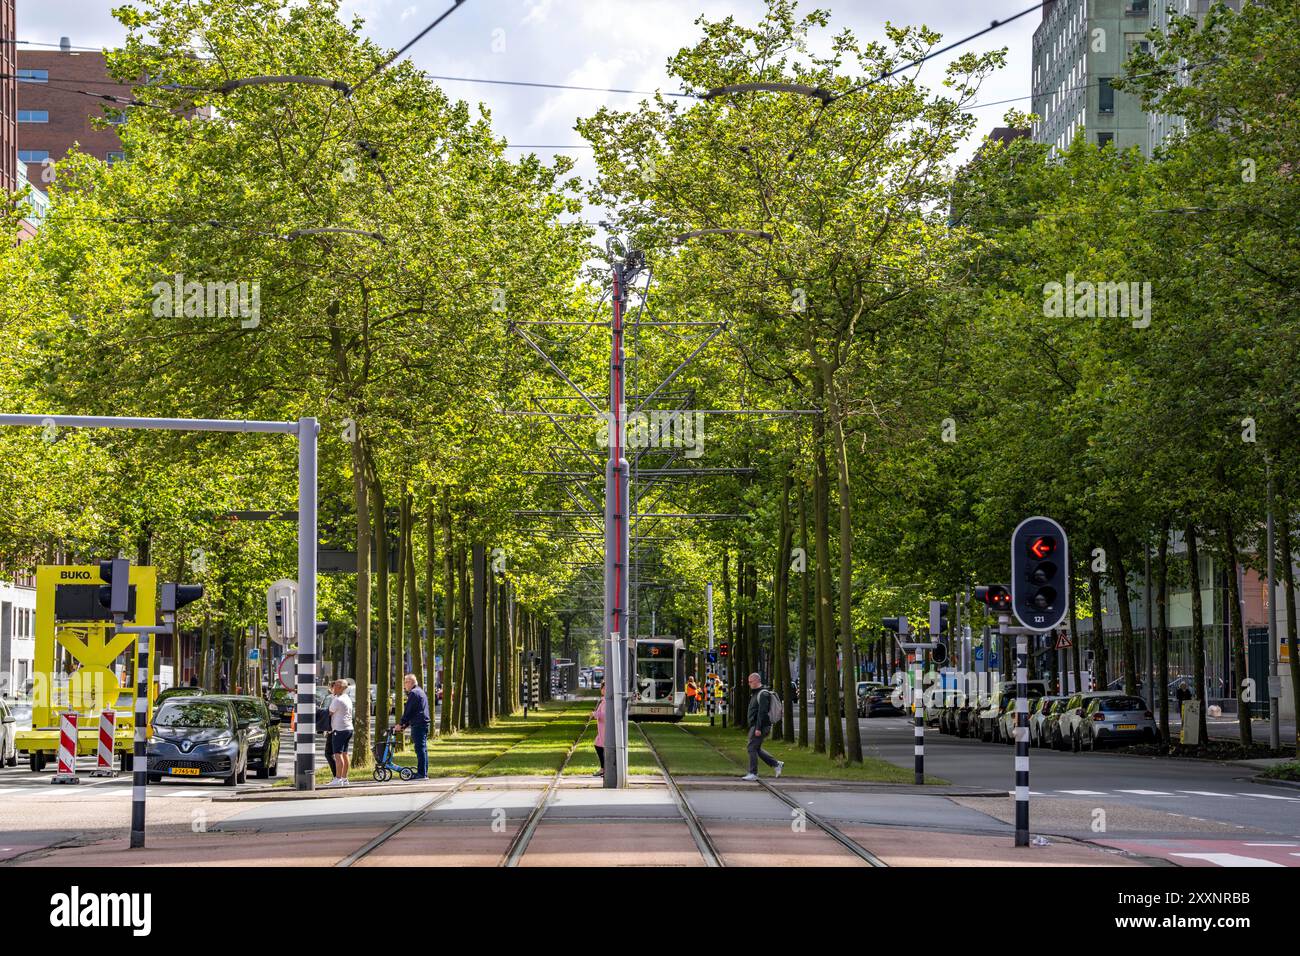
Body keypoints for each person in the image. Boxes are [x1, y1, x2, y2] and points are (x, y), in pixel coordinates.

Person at [742, 672, 783, 782]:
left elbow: (762, 712)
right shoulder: (756, 693)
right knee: (756, 748)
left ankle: (753, 773)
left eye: (751, 682)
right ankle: (776, 764)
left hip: (760, 725)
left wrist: (758, 728)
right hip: (755, 725)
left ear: (756, 681)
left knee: (751, 747)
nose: (749, 684)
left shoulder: (763, 694)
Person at [396, 673, 431, 780]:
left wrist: (401, 724)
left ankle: (422, 774)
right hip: (423, 723)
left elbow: (409, 711)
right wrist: (404, 725)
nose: (404, 685)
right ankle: (423, 772)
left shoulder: (414, 693)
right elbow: (415, 711)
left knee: (420, 749)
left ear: (410, 682)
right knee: (423, 749)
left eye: (405, 682)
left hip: (419, 725)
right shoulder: (420, 691)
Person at [324, 679, 353, 787]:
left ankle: (338, 779)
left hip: (339, 730)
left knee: (338, 754)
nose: (333, 687)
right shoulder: (347, 698)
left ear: (340, 687)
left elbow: (329, 713)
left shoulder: (338, 700)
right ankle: (344, 778)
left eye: (335, 685)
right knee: (345, 754)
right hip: (348, 729)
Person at [592, 681, 607, 777]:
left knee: (600, 746)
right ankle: (604, 768)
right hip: (602, 730)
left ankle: (604, 769)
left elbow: (605, 715)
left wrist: (595, 714)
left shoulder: (607, 702)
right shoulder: (604, 701)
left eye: (606, 688)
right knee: (598, 745)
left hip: (605, 730)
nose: (604, 690)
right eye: (603, 688)